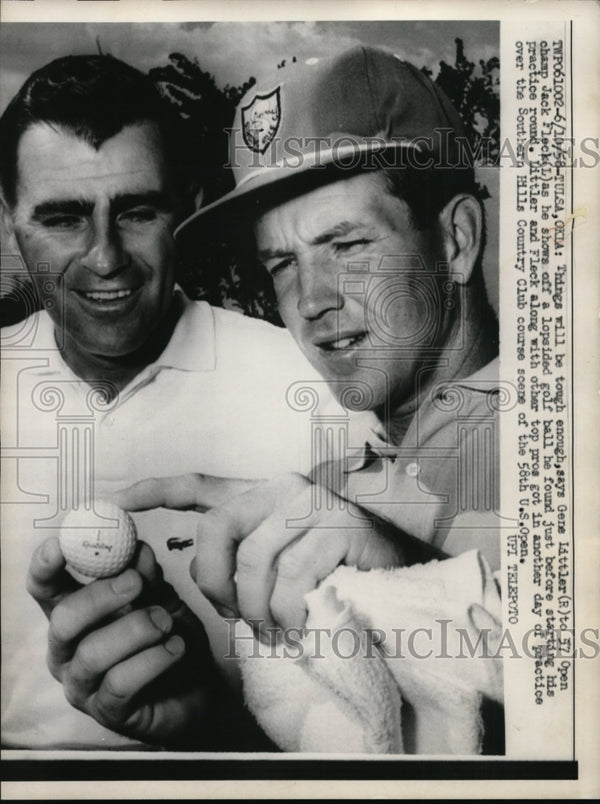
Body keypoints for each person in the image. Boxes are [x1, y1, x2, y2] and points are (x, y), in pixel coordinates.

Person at [26, 46, 504, 752]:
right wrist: (209, 719)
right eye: (282, 264)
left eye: (346, 245)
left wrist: (412, 581)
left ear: (456, 240)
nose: (311, 300)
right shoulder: (333, 486)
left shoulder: (561, 446)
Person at [0, 54, 350, 750]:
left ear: (185, 209)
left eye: (137, 212)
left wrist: (217, 731)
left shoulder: (317, 389)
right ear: (10, 222)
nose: (105, 258)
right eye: (63, 219)